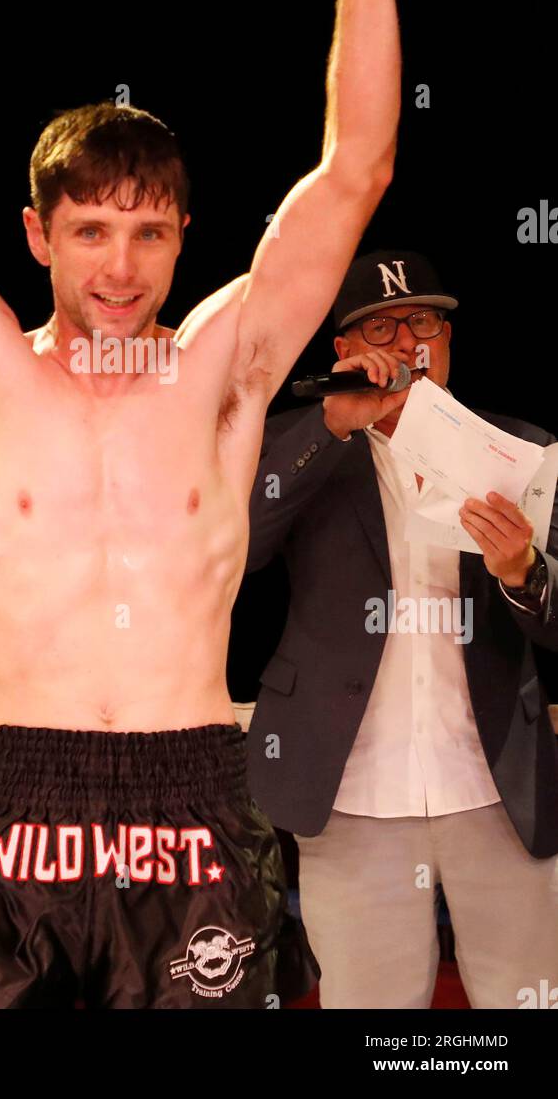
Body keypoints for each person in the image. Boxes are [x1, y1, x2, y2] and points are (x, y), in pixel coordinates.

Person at [0, 0, 405, 1008]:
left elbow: (354, 168)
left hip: (195, 800)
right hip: (14, 810)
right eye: (91, 230)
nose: (120, 264)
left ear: (182, 240)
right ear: (38, 234)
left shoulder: (225, 365)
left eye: (148, 230)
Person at [245, 248, 558, 1008]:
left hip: (500, 787)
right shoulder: (295, 445)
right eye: (378, 326)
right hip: (351, 791)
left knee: (528, 1004)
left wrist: (522, 573)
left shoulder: (523, 450)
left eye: (421, 321)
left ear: (446, 340)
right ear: (345, 352)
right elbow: (231, 554)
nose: (405, 342)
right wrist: (330, 426)